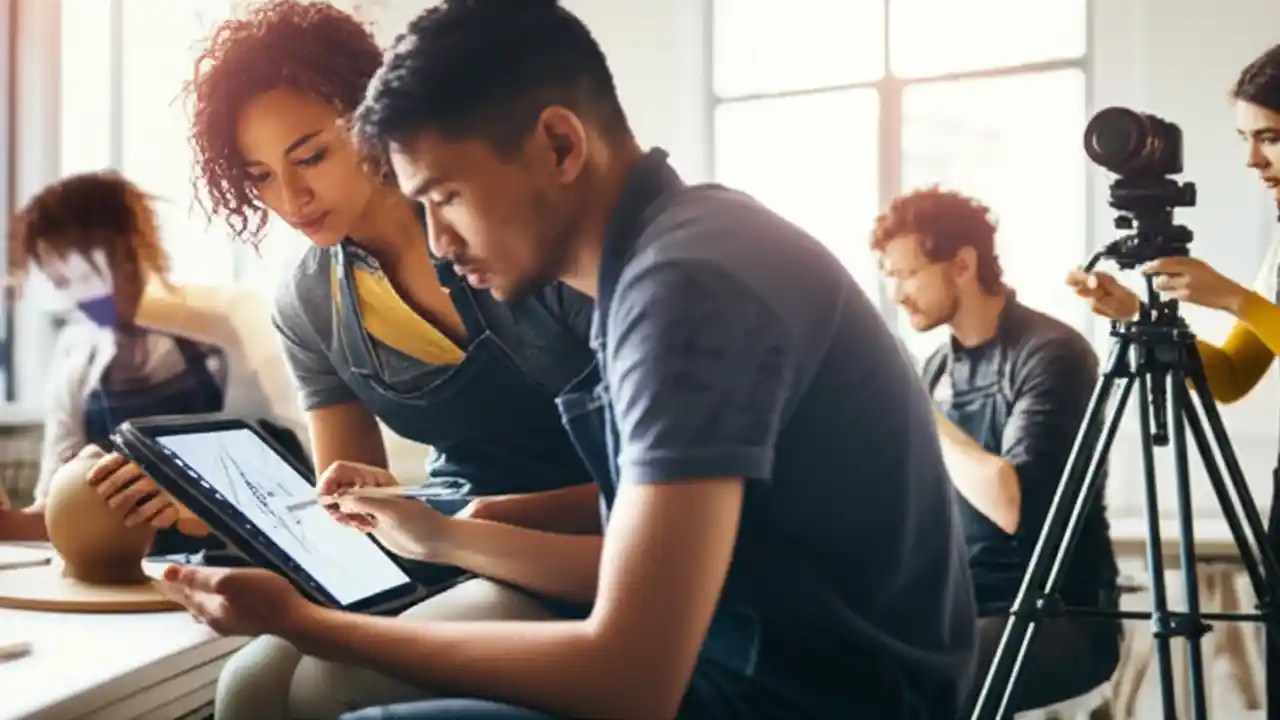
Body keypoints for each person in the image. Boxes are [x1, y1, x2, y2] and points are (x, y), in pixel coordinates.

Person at [158, 2, 978, 718]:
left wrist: (313, 620)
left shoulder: (685, 286)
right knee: (259, 687)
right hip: (747, 657)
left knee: (329, 697)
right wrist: (447, 528)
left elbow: (631, 677)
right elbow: (636, 534)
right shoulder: (673, 252)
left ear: (558, 143)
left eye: (443, 198)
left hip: (806, 692)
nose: (440, 244)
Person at [156, 2, 607, 717]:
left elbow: (653, 482)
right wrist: (336, 501)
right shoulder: (310, 302)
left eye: (310, 156)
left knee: (331, 687)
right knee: (247, 686)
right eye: (261, 176)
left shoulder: (515, 232)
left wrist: (467, 529)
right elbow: (349, 512)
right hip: (442, 541)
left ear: (369, 118)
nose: (291, 196)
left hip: (580, 549)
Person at [873, 187, 1121, 713]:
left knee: (905, 685)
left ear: (962, 262)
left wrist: (915, 408)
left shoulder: (1052, 354)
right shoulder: (937, 368)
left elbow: (1017, 506)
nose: (897, 295)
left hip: (1057, 618)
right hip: (961, 610)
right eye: (890, 278)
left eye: (908, 273)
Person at [0, 171, 304, 551]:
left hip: (236, 562)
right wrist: (9, 523)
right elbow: (55, 509)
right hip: (126, 574)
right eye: (63, 281)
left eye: (89, 270)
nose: (83, 296)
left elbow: (288, 475)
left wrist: (183, 499)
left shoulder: (226, 321)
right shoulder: (77, 356)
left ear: (133, 249)